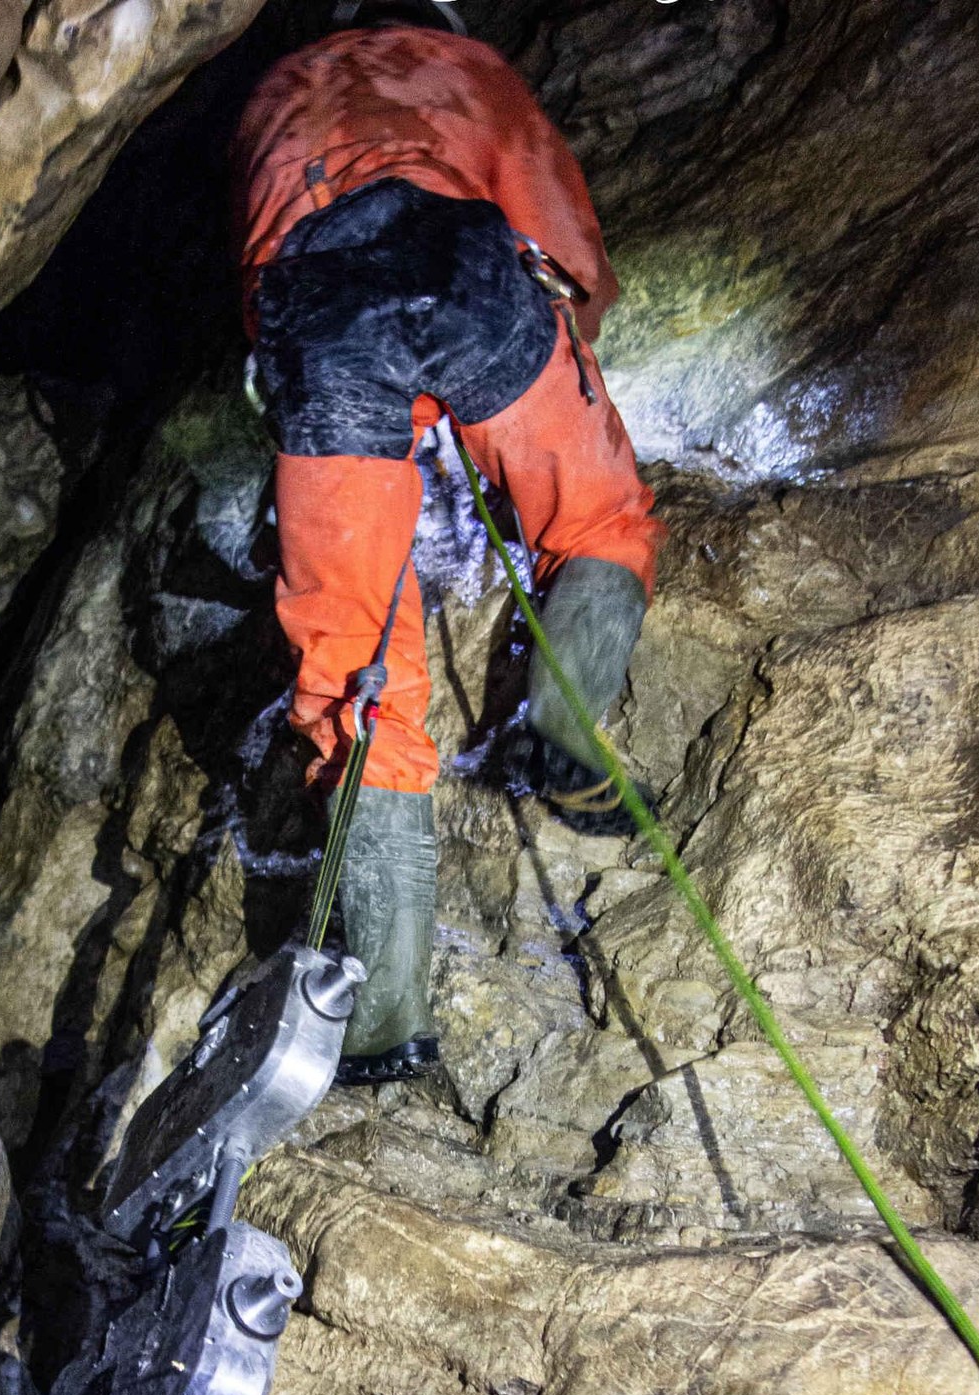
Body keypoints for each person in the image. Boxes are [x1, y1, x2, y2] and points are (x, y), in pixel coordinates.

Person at [234, 0, 665, 1082]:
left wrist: (384, 422)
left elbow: (263, 287)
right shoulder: (463, 67)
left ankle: (384, 1021)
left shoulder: (269, 98)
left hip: (317, 320)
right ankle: (566, 741)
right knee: (599, 518)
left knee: (359, 688)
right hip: (460, 267)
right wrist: (561, 348)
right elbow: (555, 229)